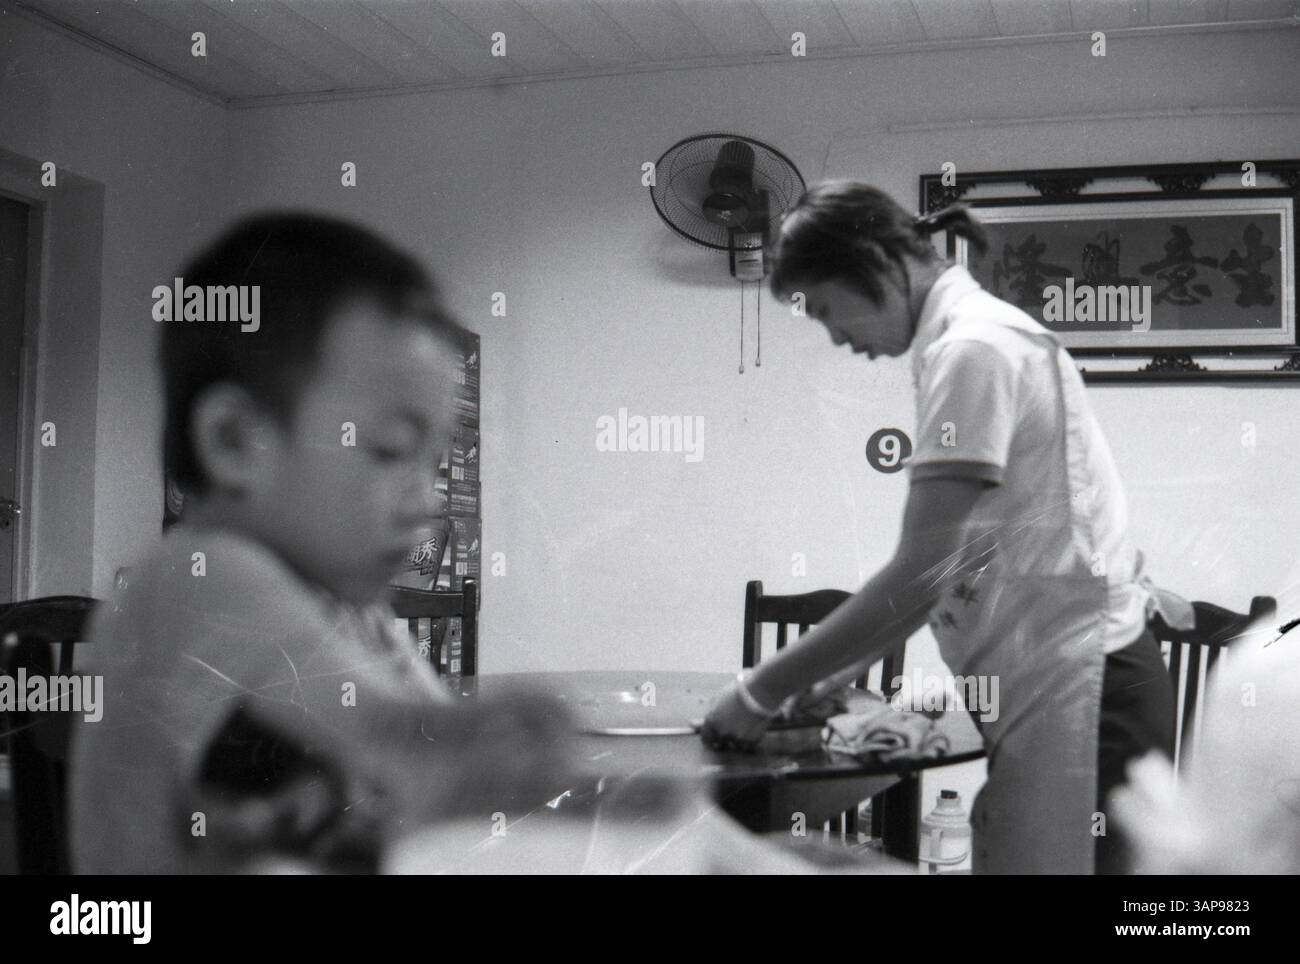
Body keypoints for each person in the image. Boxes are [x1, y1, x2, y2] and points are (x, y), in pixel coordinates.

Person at [69, 213, 574, 873]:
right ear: (234, 440)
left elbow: (437, 797)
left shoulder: (353, 607)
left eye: (435, 461)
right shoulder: (199, 575)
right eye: (391, 450)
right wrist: (489, 734)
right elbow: (405, 742)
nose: (428, 500)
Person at [701, 182, 1175, 874]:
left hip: (1084, 689)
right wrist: (853, 663)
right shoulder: (966, 343)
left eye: (828, 311)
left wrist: (758, 692)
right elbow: (962, 556)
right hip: (1062, 682)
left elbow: (916, 574)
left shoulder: (974, 350)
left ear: (877, 264)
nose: (836, 337)